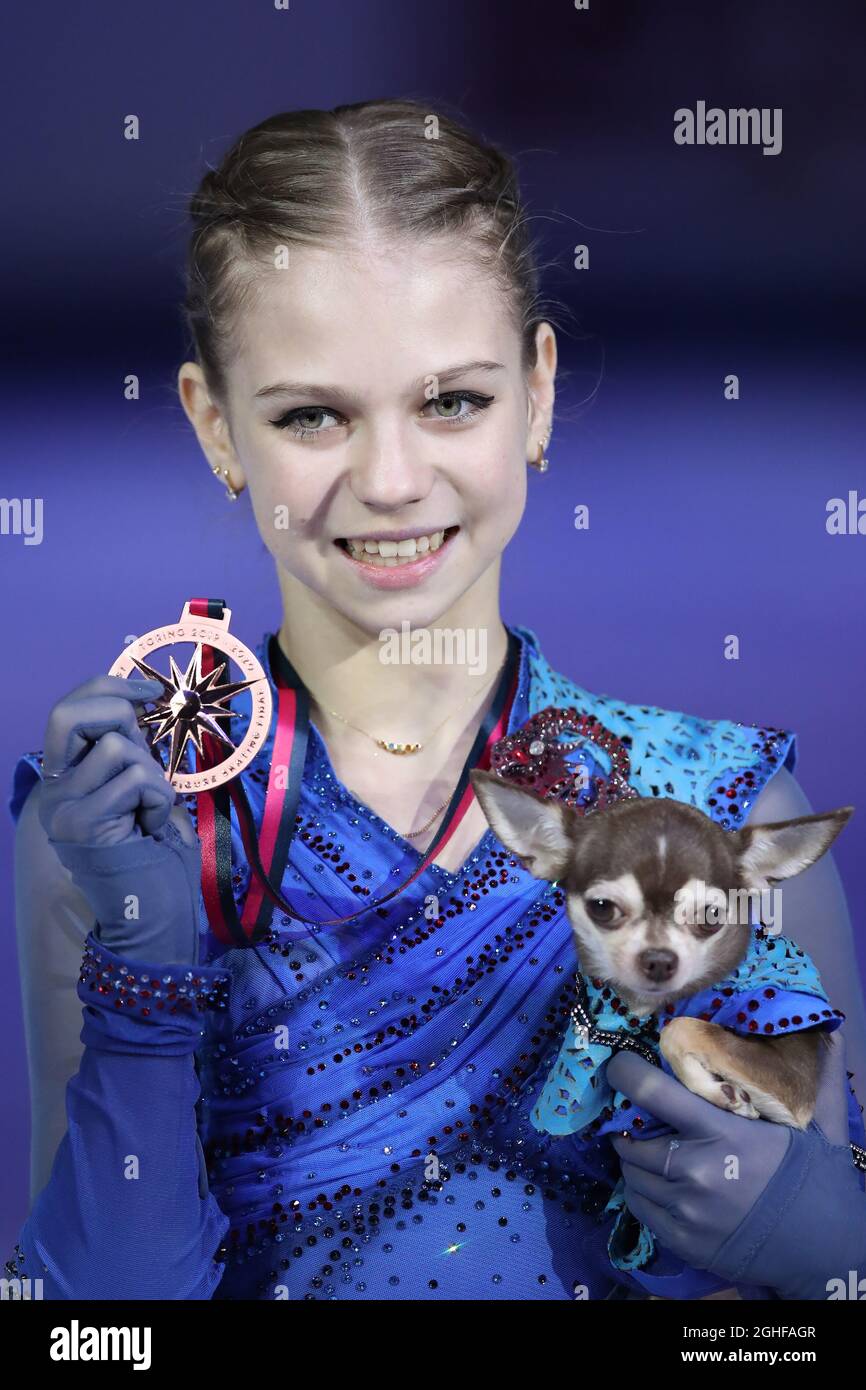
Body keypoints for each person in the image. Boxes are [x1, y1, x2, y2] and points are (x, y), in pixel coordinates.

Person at [7, 98, 866, 1301]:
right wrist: (148, 989)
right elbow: (91, 1329)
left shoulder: (723, 813)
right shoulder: (138, 826)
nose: (394, 480)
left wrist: (826, 1251)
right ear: (215, 427)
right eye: (313, 415)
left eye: (450, 401)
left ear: (539, 390)